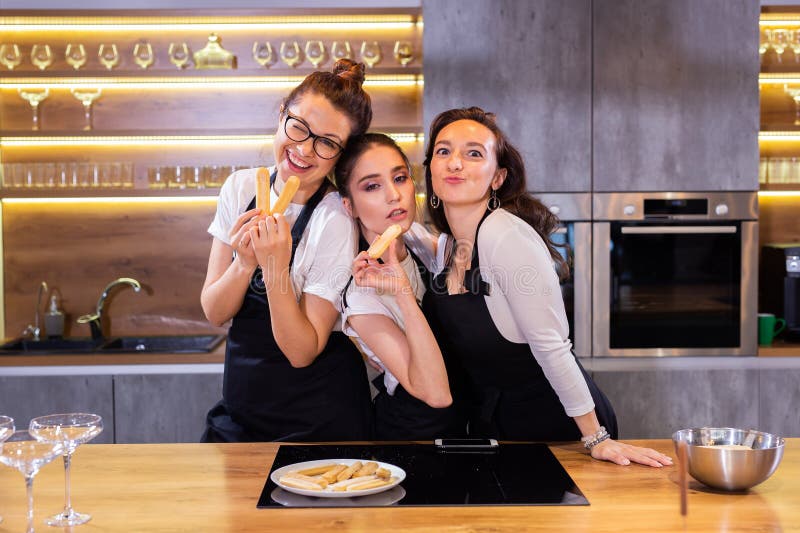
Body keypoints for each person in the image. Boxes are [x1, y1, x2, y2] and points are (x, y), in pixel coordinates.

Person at [423, 107, 672, 467]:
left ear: (498, 177)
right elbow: (411, 238)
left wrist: (596, 438)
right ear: (430, 168)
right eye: (443, 151)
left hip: (557, 427)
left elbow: (552, 347)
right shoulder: (449, 244)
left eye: (473, 153)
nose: (454, 163)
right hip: (495, 424)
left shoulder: (504, 235)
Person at [200, 59, 374, 442]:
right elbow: (214, 311)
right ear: (281, 115)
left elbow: (302, 351)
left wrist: (276, 268)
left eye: (327, 143)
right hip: (241, 411)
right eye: (298, 127)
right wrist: (244, 263)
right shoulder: (240, 188)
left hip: (318, 421)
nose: (304, 150)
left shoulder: (335, 219)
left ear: (341, 154)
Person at [334, 133, 467, 440]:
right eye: (372, 186)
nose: (394, 195)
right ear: (349, 205)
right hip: (412, 436)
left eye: (400, 177)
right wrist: (402, 293)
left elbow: (467, 260)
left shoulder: (417, 238)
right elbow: (436, 394)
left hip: (465, 425)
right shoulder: (362, 297)